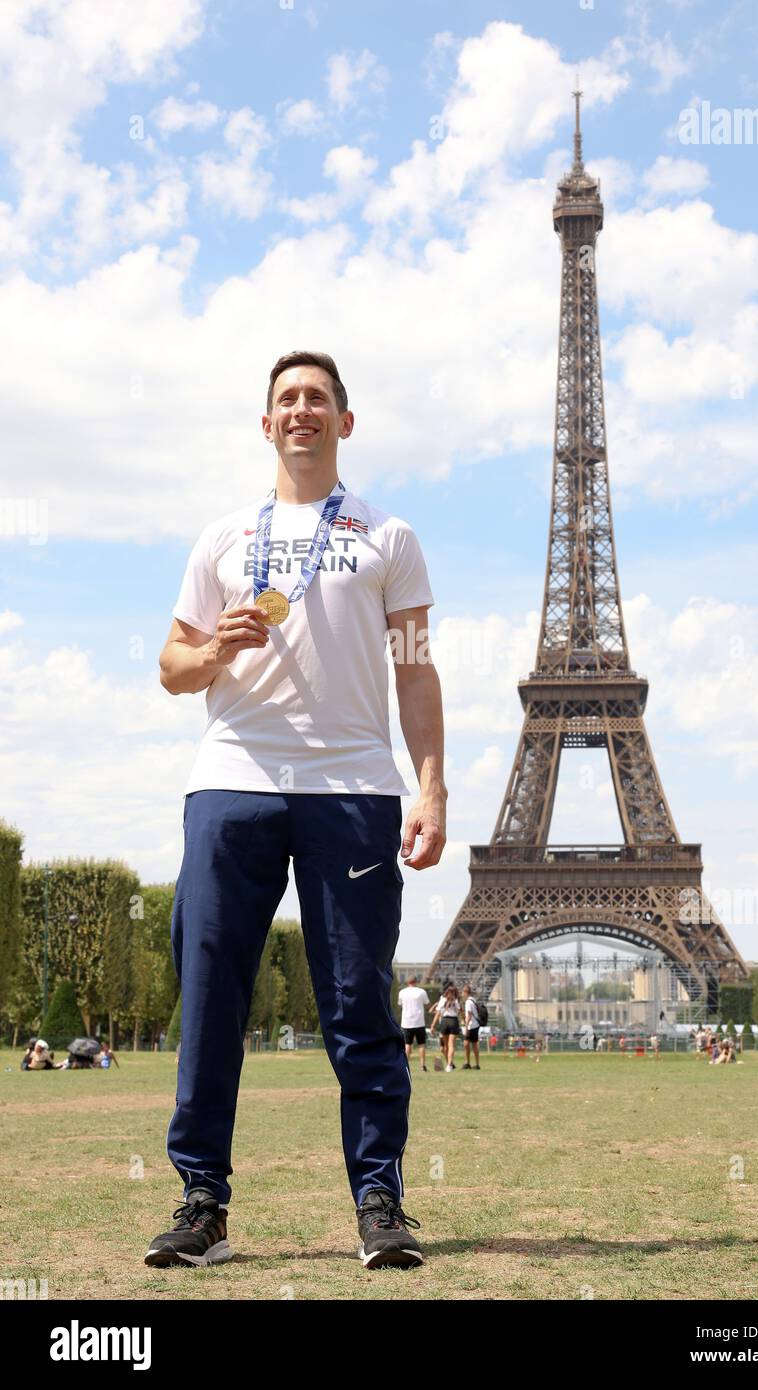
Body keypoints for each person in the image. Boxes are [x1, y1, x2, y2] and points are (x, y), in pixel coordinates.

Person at [149, 351, 446, 1273]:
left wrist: (430, 784)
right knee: (211, 998)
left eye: (317, 398)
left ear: (343, 423)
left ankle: (379, 1202)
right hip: (232, 779)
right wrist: (214, 653)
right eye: (286, 399)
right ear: (266, 423)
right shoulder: (222, 540)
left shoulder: (387, 536)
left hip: (354, 788)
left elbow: (415, 667)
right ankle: (202, 1203)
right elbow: (171, 666)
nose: (301, 410)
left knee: (357, 1004)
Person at [398, 975, 430, 1074]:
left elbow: (400, 1004)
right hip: (419, 1022)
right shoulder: (421, 992)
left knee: (407, 1045)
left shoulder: (402, 992)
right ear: (416, 981)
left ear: (407, 982)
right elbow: (427, 1003)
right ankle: (422, 1066)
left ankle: (406, 1066)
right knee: (421, 1044)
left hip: (406, 1022)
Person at [432, 985, 462, 1070]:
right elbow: (460, 1011)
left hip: (444, 1021)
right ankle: (449, 1065)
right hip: (453, 1021)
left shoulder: (442, 1000)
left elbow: (438, 1014)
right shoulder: (456, 1001)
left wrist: (433, 1025)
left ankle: (449, 1063)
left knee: (445, 1045)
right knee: (451, 1044)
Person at [460, 984, 482, 1070]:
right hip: (475, 1025)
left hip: (471, 1026)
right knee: (474, 1044)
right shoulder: (473, 1000)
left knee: (466, 1044)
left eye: (462, 992)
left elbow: (468, 1015)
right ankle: (476, 1063)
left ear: (465, 992)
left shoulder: (468, 1002)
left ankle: (468, 1063)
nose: (462, 994)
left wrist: (466, 1027)